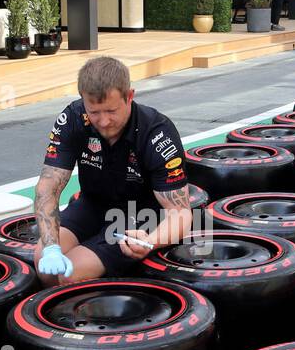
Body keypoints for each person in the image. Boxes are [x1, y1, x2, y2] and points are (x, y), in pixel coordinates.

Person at [33, 57, 193, 284]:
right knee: (42, 260)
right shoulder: (72, 119)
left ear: (129, 96)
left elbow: (181, 213)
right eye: (94, 112)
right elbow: (47, 188)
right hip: (93, 204)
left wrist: (150, 241)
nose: (104, 121)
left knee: (69, 274)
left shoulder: (158, 133)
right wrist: (50, 248)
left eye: (111, 110)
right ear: (82, 100)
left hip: (141, 216)